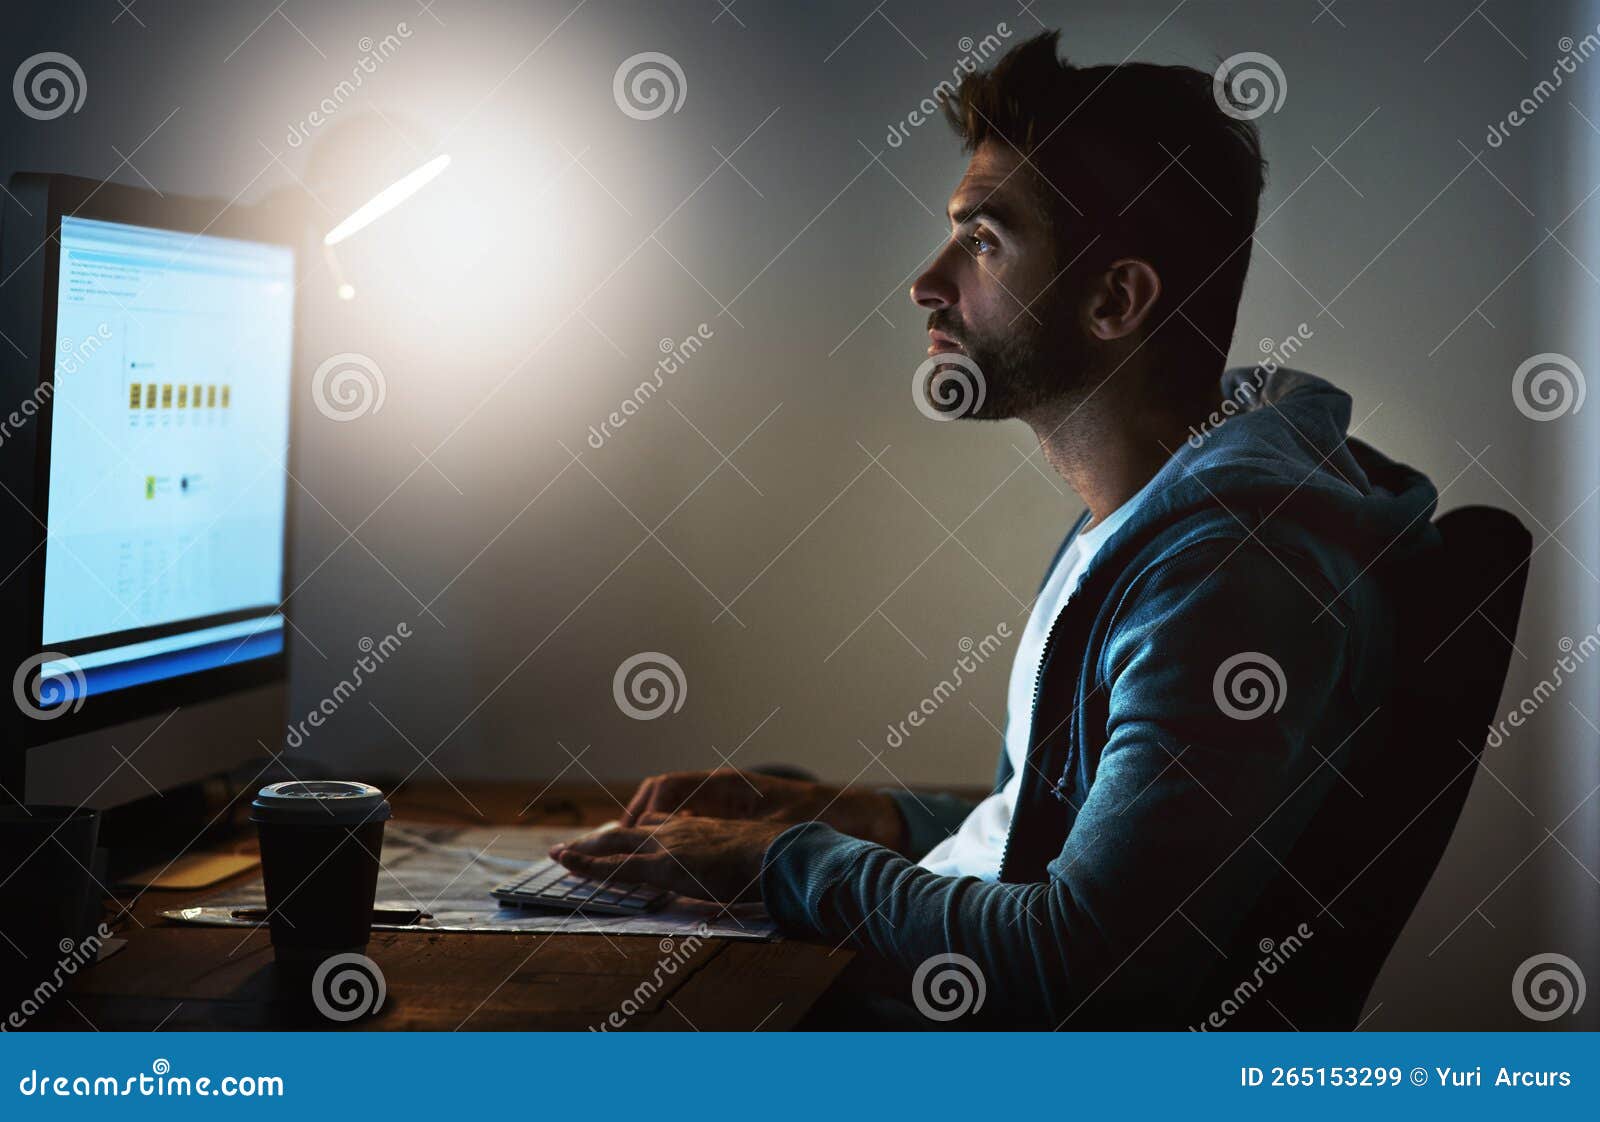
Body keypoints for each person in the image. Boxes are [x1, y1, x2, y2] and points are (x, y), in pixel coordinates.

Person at [551, 31, 1439, 1027]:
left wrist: (783, 865)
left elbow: (1078, 964)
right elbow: (1053, 838)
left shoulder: (1225, 580)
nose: (927, 284)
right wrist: (864, 820)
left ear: (1115, 299)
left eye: (983, 241)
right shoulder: (1145, 527)